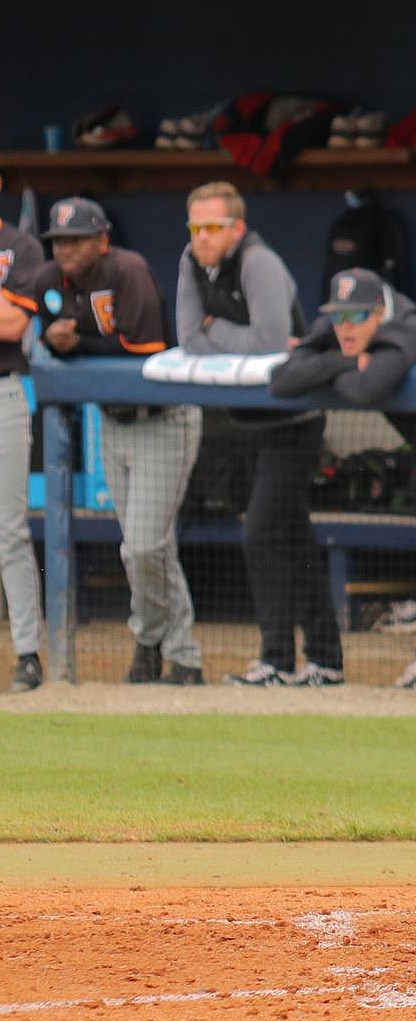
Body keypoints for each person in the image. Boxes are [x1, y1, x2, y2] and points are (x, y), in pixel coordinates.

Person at [270, 268, 416, 689]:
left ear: (379, 313)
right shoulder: (340, 335)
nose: (345, 328)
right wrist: (345, 360)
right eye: (338, 317)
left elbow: (368, 389)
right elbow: (283, 380)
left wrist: (328, 367)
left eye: (357, 318)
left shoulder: (410, 330)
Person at [24, 197, 203, 685]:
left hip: (166, 420)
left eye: (76, 240)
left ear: (102, 240)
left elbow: (143, 351)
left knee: (143, 547)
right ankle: (181, 657)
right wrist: (53, 344)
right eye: (58, 241)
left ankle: (148, 638)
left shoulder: (129, 270)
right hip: (114, 426)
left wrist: (74, 343)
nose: (65, 249)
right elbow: (52, 355)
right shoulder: (47, 282)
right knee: (149, 546)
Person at [174, 181, 344, 688]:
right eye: (196, 227)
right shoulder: (189, 261)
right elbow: (186, 338)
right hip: (246, 422)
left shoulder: (258, 262)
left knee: (262, 533)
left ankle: (275, 657)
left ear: (237, 228)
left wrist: (214, 331)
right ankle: (325, 661)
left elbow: (271, 343)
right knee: (293, 535)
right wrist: (221, 336)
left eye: (213, 228)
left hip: (293, 422)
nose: (203, 238)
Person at [0, 177, 46, 692]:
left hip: (4, 393)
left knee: (8, 530)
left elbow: (14, 325)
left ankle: (28, 654)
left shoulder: (19, 246)